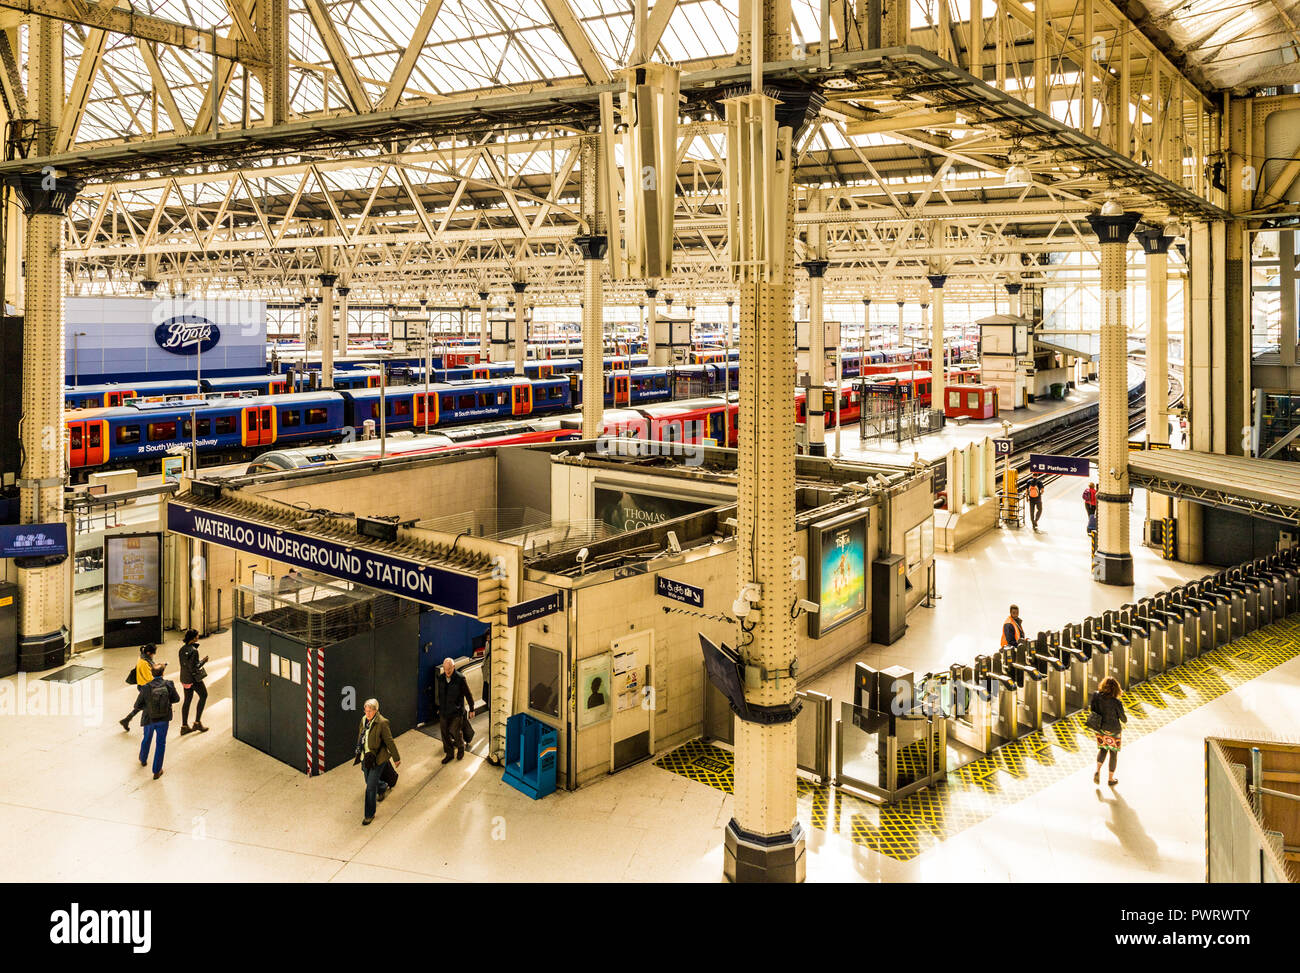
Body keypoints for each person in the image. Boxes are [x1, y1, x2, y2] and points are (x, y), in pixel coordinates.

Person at [354, 698, 400, 825]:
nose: (367, 713)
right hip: (365, 758)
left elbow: (389, 741)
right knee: (368, 780)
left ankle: (369, 814)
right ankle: (382, 787)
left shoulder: (382, 723)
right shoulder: (363, 720)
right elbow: (361, 735)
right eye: (366, 710)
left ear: (376, 711)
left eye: (370, 711)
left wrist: (396, 758)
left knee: (369, 787)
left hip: (378, 759)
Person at [137, 662, 181, 780]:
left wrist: (149, 707)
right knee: (160, 743)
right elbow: (176, 699)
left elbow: (137, 705)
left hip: (149, 719)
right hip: (163, 719)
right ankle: (157, 771)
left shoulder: (145, 687)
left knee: (147, 738)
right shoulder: (169, 684)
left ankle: (143, 758)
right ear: (163, 673)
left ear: (151, 674)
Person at [434, 657, 475, 764]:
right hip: (444, 711)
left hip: (456, 712)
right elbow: (440, 695)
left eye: (449, 669)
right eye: (445, 669)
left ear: (453, 667)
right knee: (444, 733)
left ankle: (461, 749)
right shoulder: (441, 678)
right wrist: (439, 708)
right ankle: (449, 754)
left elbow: (468, 694)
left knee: (455, 731)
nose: (447, 672)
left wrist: (471, 708)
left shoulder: (460, 679)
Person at [1089, 676, 1128, 786]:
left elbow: (1093, 710)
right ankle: (1111, 779)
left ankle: (1097, 770)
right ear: (1116, 688)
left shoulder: (1096, 696)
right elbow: (1123, 719)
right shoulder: (1116, 702)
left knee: (1103, 749)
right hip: (1114, 730)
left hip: (1100, 728)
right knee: (1113, 754)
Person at [177, 628, 210, 735]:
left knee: (187, 700)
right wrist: (203, 661)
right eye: (197, 636)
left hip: (184, 679)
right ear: (193, 638)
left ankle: (184, 725)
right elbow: (194, 668)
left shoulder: (182, 649)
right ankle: (197, 722)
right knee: (204, 695)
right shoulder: (194, 651)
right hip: (193, 679)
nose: (198, 637)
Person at [119, 644, 158, 731]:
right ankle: (146, 724)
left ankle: (127, 719)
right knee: (147, 705)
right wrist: (159, 673)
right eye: (153, 653)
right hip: (146, 686)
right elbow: (149, 678)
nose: (153, 655)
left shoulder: (143, 658)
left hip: (142, 685)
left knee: (143, 704)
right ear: (148, 653)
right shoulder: (144, 663)